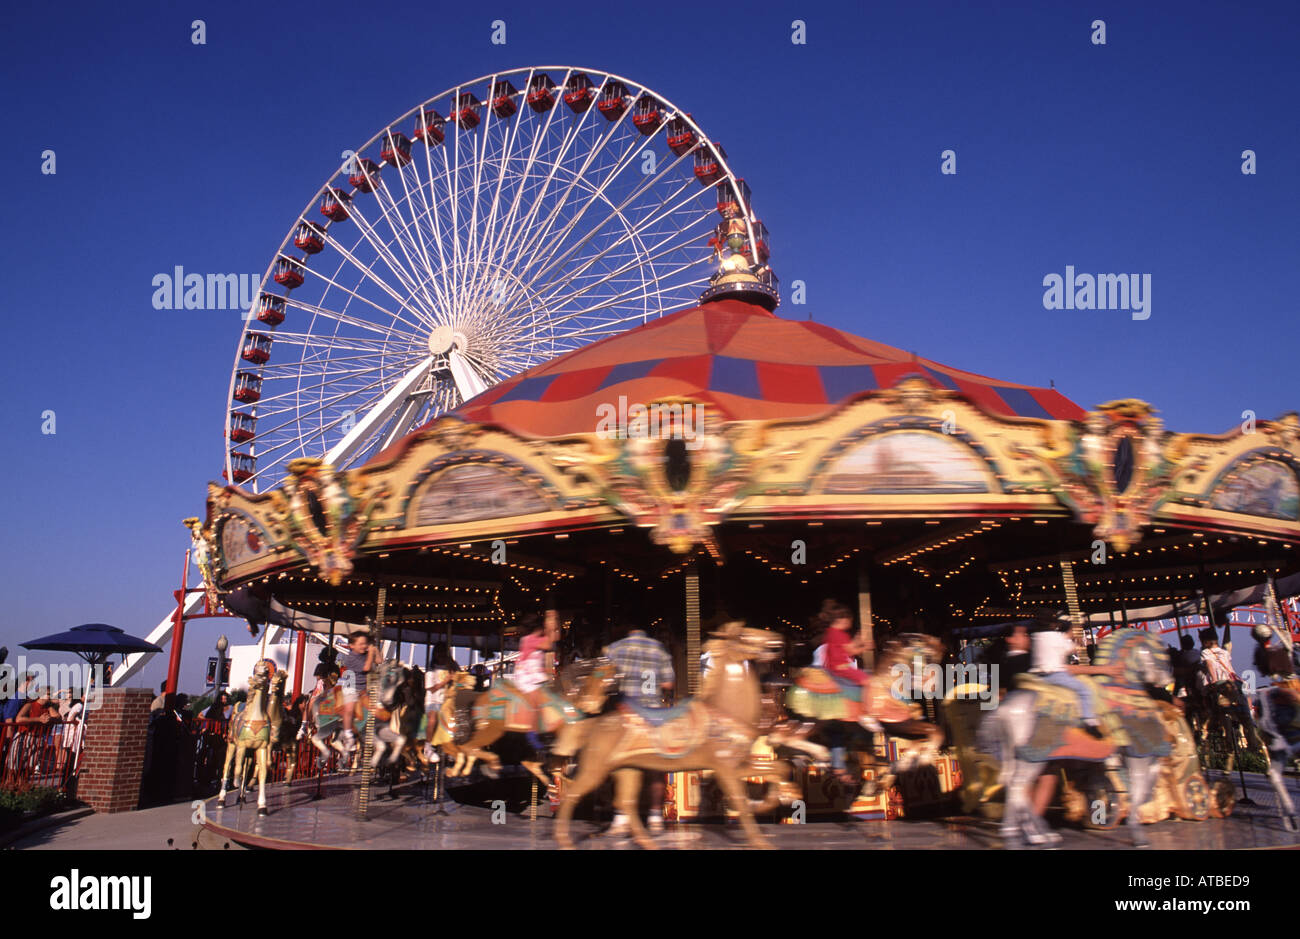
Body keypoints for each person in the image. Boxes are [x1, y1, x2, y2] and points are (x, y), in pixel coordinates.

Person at [606, 620, 675, 834]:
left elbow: (606, 682)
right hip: (653, 714)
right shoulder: (658, 648)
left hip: (626, 713)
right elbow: (668, 684)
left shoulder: (615, 648)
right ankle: (655, 817)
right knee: (655, 769)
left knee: (622, 767)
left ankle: (620, 817)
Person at [1030, 617, 1116, 732]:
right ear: (1052, 624)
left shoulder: (1036, 637)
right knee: (1085, 690)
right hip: (1054, 674)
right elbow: (1071, 648)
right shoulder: (1055, 637)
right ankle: (1089, 721)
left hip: (1037, 675)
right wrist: (1075, 636)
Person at [336, 630, 377, 753]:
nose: (364, 646)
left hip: (364, 686)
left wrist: (375, 649)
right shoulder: (350, 658)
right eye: (361, 644)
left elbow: (379, 661)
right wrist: (370, 654)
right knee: (350, 709)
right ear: (351, 646)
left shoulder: (366, 654)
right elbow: (366, 667)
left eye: (365, 643)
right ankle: (348, 734)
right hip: (351, 684)